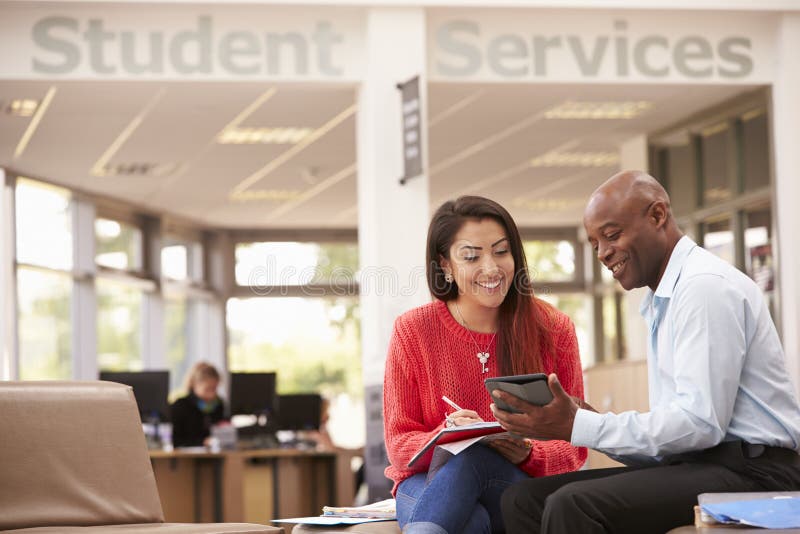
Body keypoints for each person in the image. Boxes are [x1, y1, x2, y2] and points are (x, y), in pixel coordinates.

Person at [494, 170, 800, 534]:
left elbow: (700, 424)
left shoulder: (703, 288)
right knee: (523, 499)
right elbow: (678, 440)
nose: (604, 253)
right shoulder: (663, 299)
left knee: (573, 504)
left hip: (757, 474)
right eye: (594, 244)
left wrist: (581, 425)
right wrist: (579, 423)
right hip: (702, 463)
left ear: (657, 216)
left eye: (611, 235)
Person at [383, 196, 587, 534]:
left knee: (474, 460)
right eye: (471, 256)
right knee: (471, 520)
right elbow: (399, 445)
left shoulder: (553, 328)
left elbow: (575, 444)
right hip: (427, 482)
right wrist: (445, 436)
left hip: (514, 486)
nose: (491, 268)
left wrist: (525, 452)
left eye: (501, 251)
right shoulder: (413, 330)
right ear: (445, 265)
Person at [170, 362, 226, 447]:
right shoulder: (180, 406)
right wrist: (202, 442)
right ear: (195, 384)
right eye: (207, 389)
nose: (211, 394)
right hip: (186, 457)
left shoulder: (219, 405)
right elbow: (176, 440)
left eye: (214, 389)